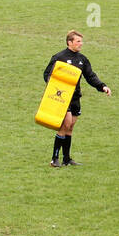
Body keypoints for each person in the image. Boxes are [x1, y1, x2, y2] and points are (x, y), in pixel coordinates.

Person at [44, 30, 111, 167]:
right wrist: (54, 87)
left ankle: (67, 159)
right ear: (70, 42)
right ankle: (54, 158)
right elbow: (47, 74)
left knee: (71, 127)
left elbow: (90, 76)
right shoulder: (59, 57)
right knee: (66, 123)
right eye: (78, 41)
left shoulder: (82, 59)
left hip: (75, 96)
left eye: (81, 41)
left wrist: (102, 86)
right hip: (63, 97)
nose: (81, 44)